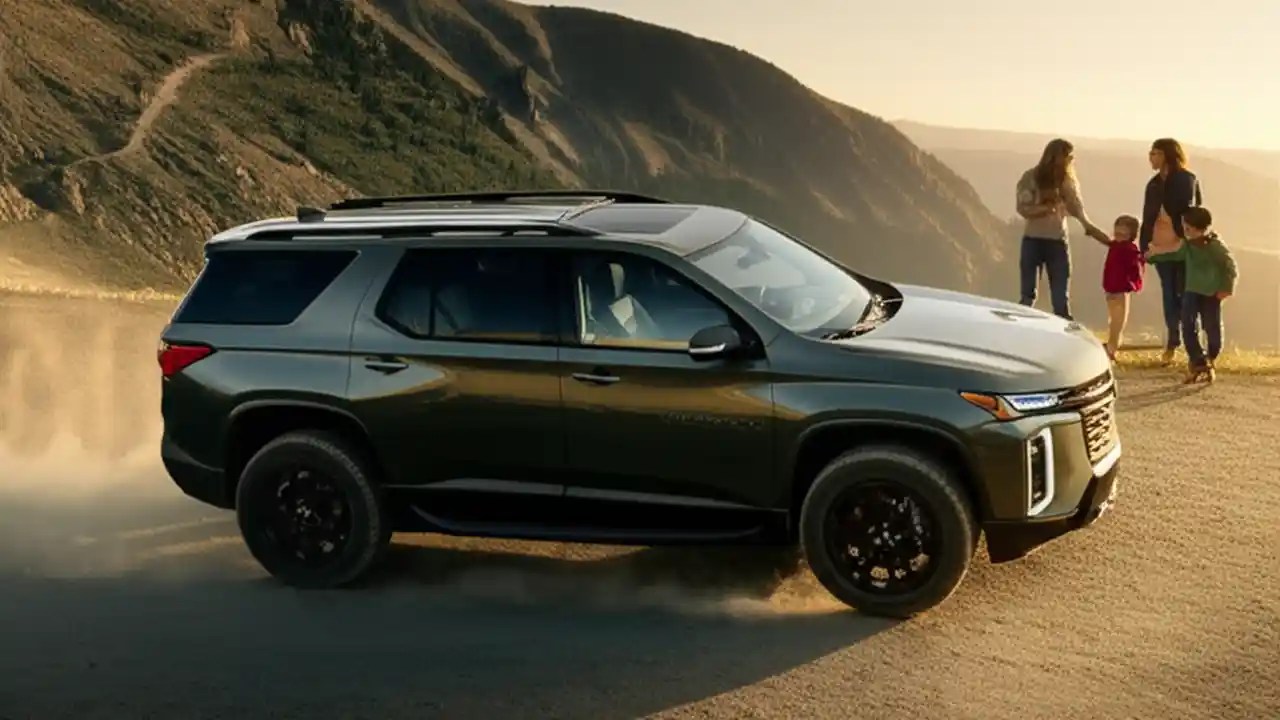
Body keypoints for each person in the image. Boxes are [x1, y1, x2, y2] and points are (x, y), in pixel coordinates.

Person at [1015, 138, 1111, 319]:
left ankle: (1063, 328)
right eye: (1067, 155)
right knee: (1028, 294)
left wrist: (1090, 228)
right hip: (1033, 239)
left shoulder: (1067, 181)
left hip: (1057, 240)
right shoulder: (1031, 178)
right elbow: (1022, 208)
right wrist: (1045, 208)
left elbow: (1077, 208)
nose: (1070, 159)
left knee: (1060, 297)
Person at [1145, 207, 1237, 383]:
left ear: (1199, 228)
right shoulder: (1187, 246)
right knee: (1188, 325)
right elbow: (1174, 255)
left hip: (1211, 292)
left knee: (1211, 326)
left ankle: (1211, 356)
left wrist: (1226, 288)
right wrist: (1153, 258)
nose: (1185, 232)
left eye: (1188, 229)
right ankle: (1197, 360)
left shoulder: (1214, 246)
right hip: (1191, 290)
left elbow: (1230, 267)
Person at [1140, 138, 1204, 365]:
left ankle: (1193, 348)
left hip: (1182, 245)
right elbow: (1147, 217)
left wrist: (1192, 239)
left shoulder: (1186, 179)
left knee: (1186, 296)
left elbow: (1194, 212)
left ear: (1167, 155)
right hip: (1159, 245)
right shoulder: (1154, 183)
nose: (1151, 157)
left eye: (1155, 153)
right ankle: (1172, 342)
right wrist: (1143, 245)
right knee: (1169, 294)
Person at [1100, 214, 1145, 361]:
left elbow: (1135, 268)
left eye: (1122, 234)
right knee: (1116, 322)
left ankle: (1111, 347)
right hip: (1115, 290)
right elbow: (1137, 269)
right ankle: (1111, 348)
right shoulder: (1122, 248)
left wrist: (1134, 283)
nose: (1118, 236)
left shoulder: (1126, 249)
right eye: (1117, 233)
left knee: (1116, 322)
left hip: (1117, 289)